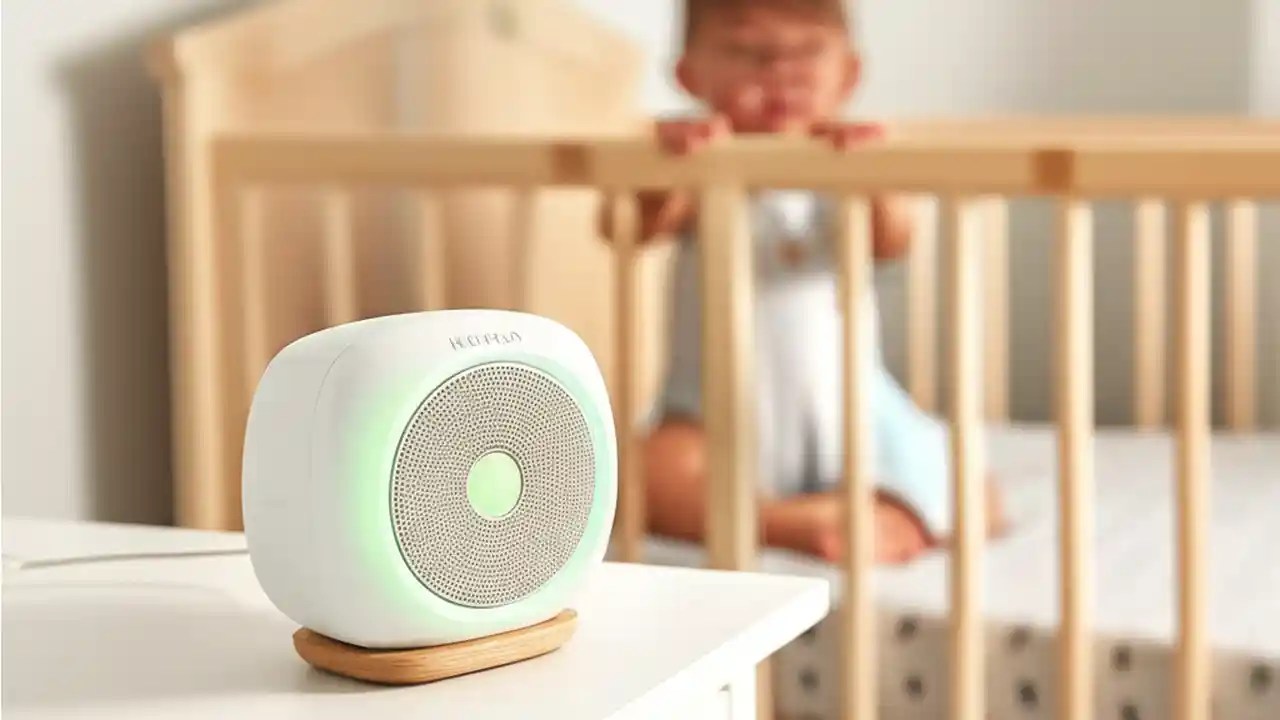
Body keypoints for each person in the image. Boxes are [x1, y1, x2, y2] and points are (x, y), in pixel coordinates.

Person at [604, 0, 1002, 563]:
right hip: (712, 416)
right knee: (645, 474)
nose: (780, 73)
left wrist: (874, 178)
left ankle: (881, 511)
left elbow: (893, 241)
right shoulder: (699, 166)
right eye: (749, 54)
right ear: (689, 75)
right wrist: (662, 170)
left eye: (807, 53)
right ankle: (785, 523)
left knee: (972, 486)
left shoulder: (843, 164)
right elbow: (626, 228)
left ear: (849, 74)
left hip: (854, 407)